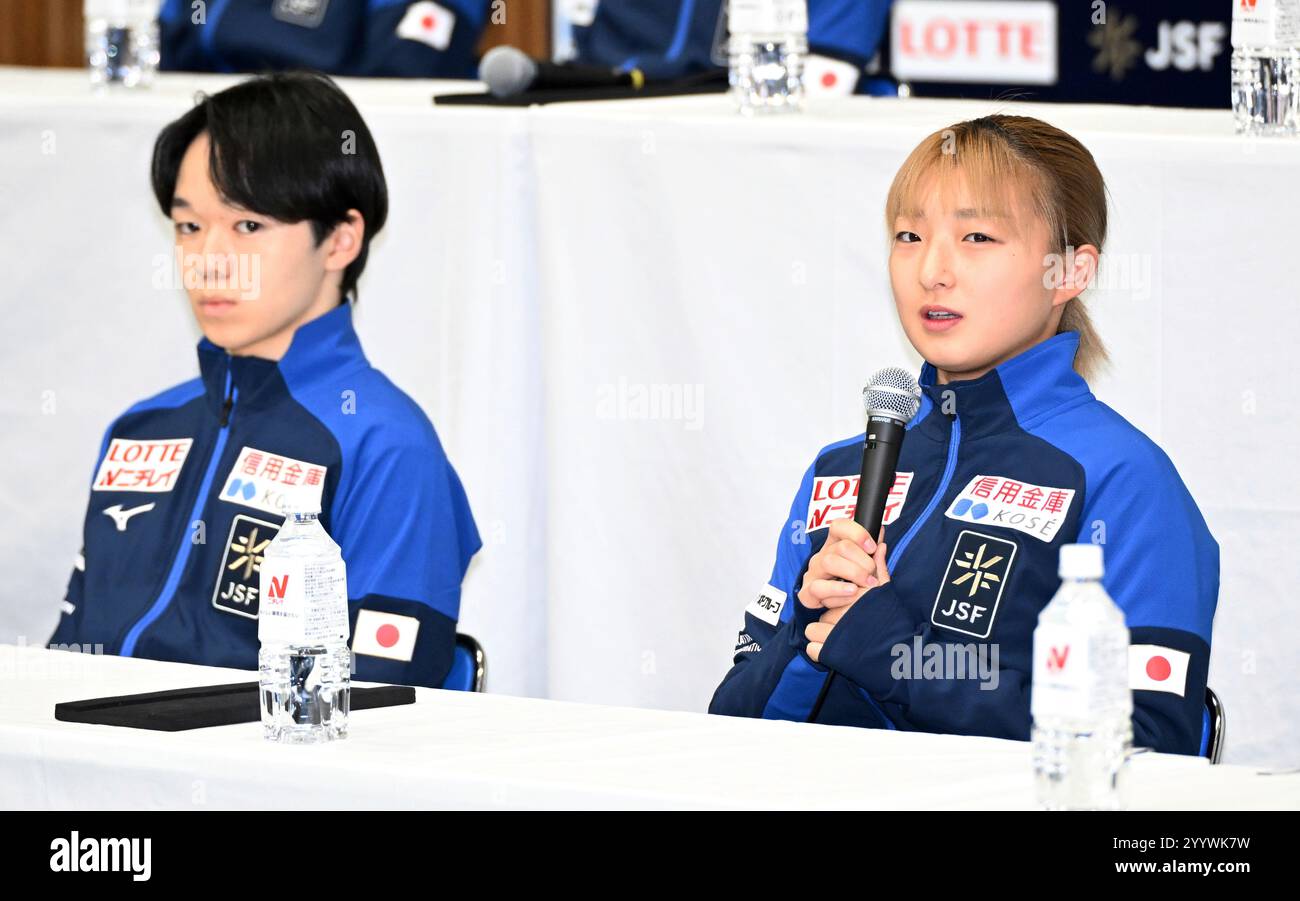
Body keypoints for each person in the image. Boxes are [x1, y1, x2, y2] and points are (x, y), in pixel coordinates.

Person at [708, 114, 1219, 756]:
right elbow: (729, 726)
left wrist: (904, 658)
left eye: (977, 236)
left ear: (1069, 271)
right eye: (909, 235)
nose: (933, 271)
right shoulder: (841, 469)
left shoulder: (1122, 478)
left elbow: (1149, 750)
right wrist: (808, 629)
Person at [48, 71, 481, 689]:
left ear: (340, 240)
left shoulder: (387, 448)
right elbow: (63, 669)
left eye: (248, 226)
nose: (208, 261)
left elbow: (377, 707)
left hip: (259, 783)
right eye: (189, 226)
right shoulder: (142, 429)